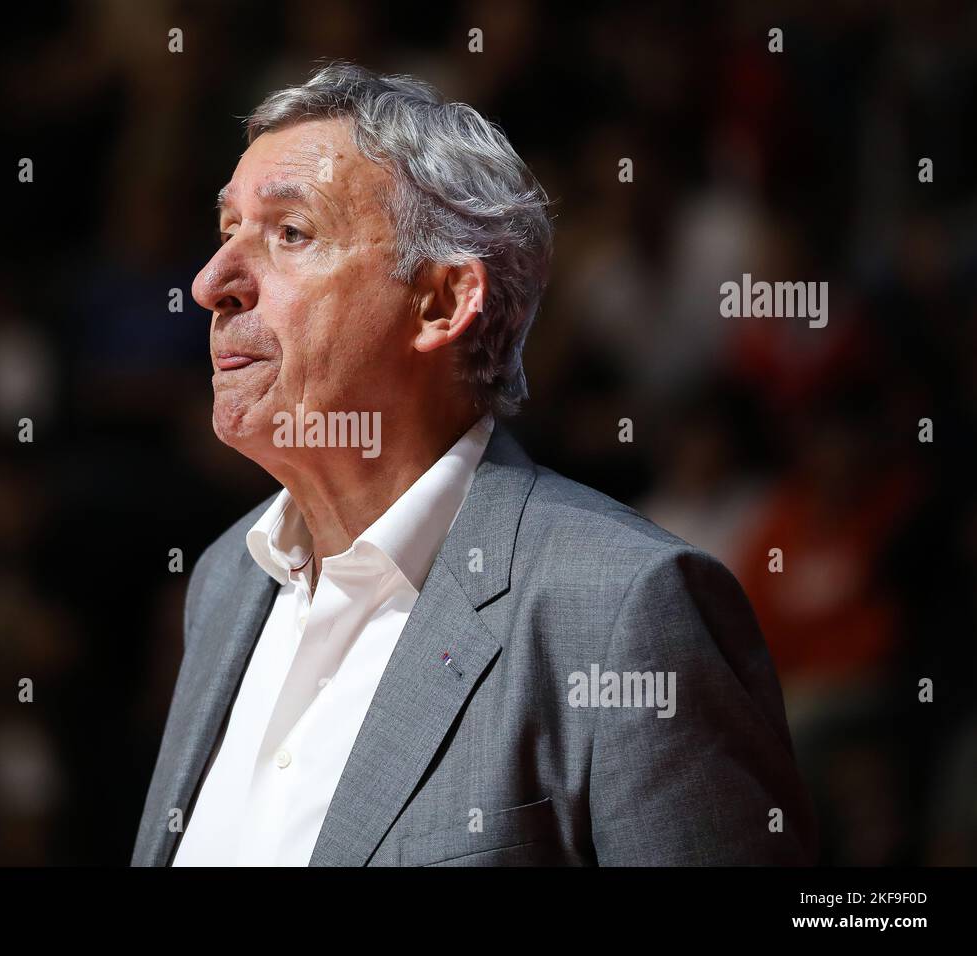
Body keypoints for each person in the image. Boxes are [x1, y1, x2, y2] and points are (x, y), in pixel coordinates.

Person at [131, 61, 816, 866]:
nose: (212, 283)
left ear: (442, 303)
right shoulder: (223, 581)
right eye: (226, 232)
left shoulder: (623, 610)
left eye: (290, 233)